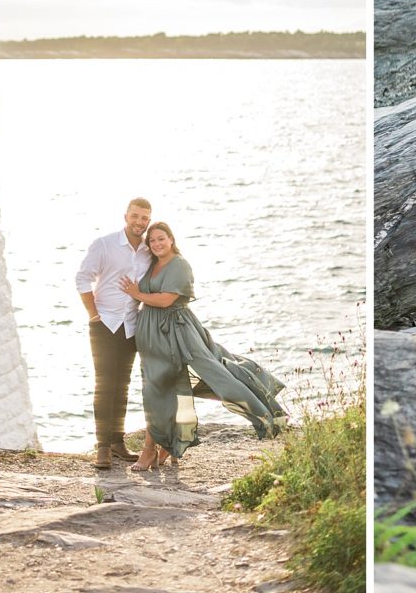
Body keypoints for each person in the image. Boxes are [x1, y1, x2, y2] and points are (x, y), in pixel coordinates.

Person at [118, 221, 286, 470]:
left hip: (176, 331)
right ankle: (169, 446)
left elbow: (166, 300)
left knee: (191, 379)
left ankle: (149, 451)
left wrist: (137, 293)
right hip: (151, 334)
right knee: (162, 387)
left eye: (161, 238)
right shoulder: (153, 264)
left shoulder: (179, 265)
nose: (156, 244)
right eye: (152, 241)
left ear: (171, 239)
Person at [75, 197, 153, 468]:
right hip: (104, 323)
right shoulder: (105, 244)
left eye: (144, 218)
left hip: (131, 325)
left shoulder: (147, 250)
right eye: (135, 216)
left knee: (122, 384)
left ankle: (118, 442)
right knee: (104, 384)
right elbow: (82, 278)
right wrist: (93, 315)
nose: (139, 222)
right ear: (126, 216)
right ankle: (103, 447)